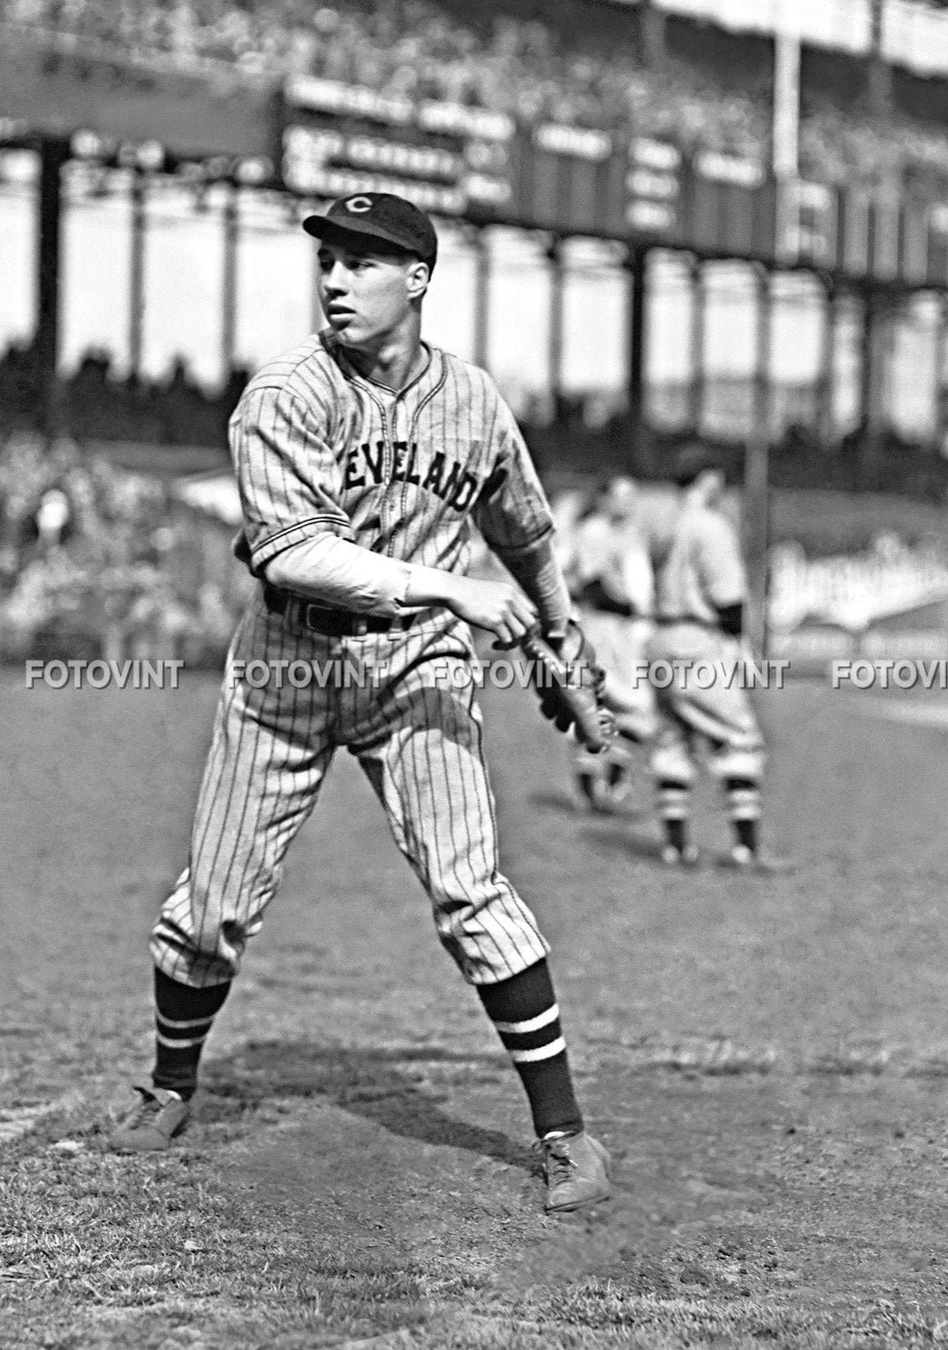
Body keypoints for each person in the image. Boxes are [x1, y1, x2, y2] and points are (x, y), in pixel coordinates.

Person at [108, 193, 612, 1215]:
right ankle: (170, 1085)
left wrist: (559, 633)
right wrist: (454, 589)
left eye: (361, 262)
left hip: (419, 668)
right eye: (327, 260)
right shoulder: (285, 394)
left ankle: (565, 1133)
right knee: (212, 907)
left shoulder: (472, 402)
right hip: (288, 665)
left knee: (472, 889)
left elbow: (522, 532)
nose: (334, 280)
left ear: (417, 280)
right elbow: (296, 551)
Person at [646, 445, 779, 871]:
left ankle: (675, 846)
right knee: (739, 737)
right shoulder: (710, 525)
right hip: (697, 641)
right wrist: (739, 644)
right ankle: (746, 848)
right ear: (708, 478)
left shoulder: (662, 522)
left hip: (661, 637)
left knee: (674, 742)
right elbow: (728, 596)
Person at [563, 476, 656, 812]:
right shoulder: (595, 532)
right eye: (622, 496)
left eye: (632, 496)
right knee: (629, 705)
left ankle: (604, 778)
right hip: (601, 630)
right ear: (605, 498)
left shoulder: (625, 533)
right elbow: (592, 585)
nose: (628, 503)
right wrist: (632, 608)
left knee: (617, 709)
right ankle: (598, 782)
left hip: (620, 631)